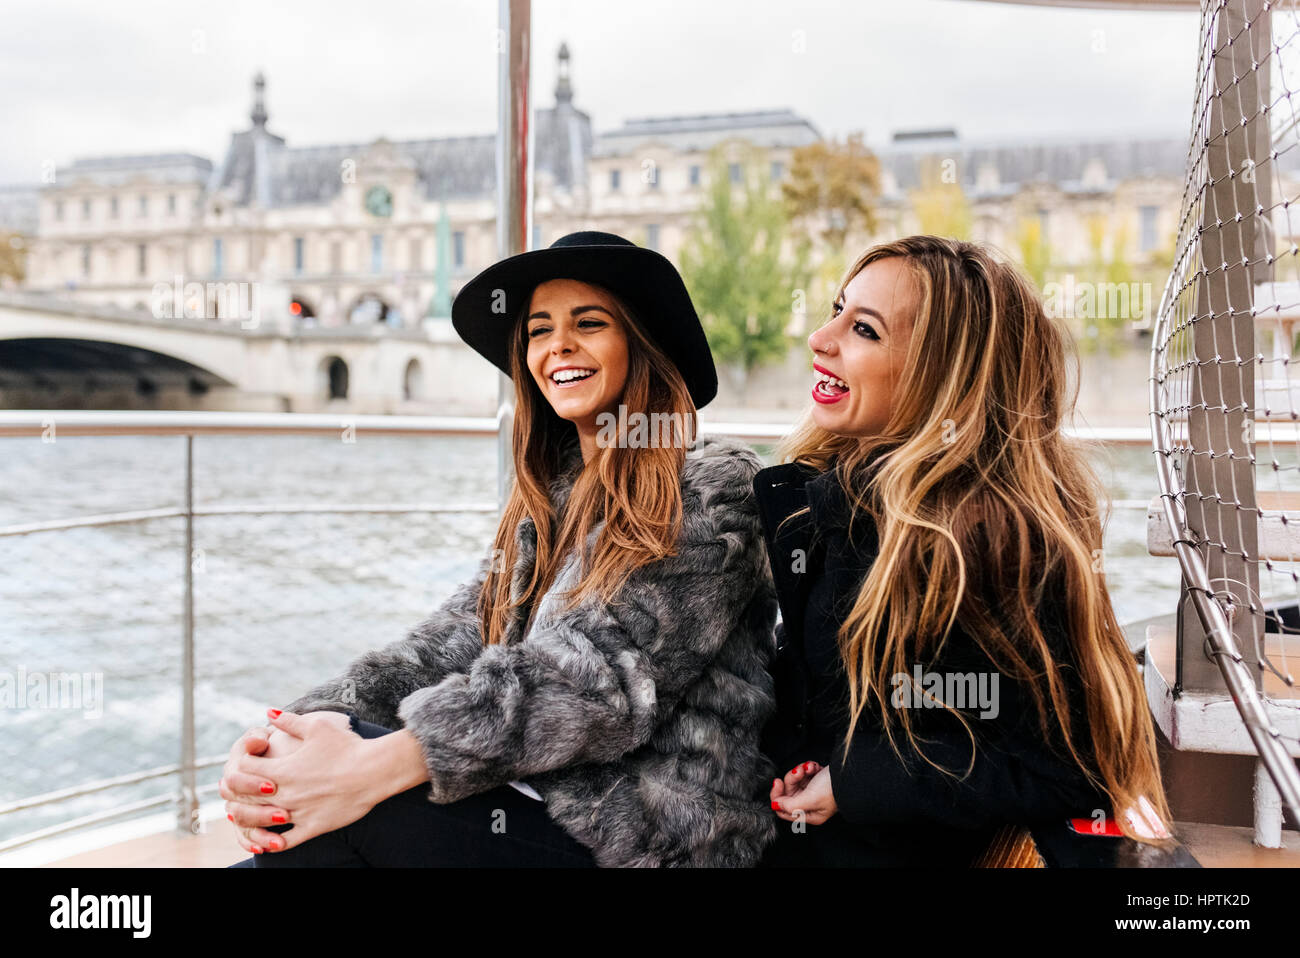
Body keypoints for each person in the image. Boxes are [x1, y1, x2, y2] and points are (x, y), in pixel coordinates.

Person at [220, 231, 779, 867]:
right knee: (301, 811)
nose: (558, 345)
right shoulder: (549, 499)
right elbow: (450, 639)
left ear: (640, 344)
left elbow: (596, 681)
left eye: (588, 323)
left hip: (652, 838)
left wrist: (378, 763)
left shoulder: (713, 489)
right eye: (539, 330)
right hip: (537, 805)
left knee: (338, 816)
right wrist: (293, 729)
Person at [758, 235, 1172, 867]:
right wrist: (807, 762)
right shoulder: (838, 502)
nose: (821, 337)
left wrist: (854, 782)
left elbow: (1064, 764)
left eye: (864, 329)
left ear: (944, 377)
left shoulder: (981, 542)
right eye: (837, 309)